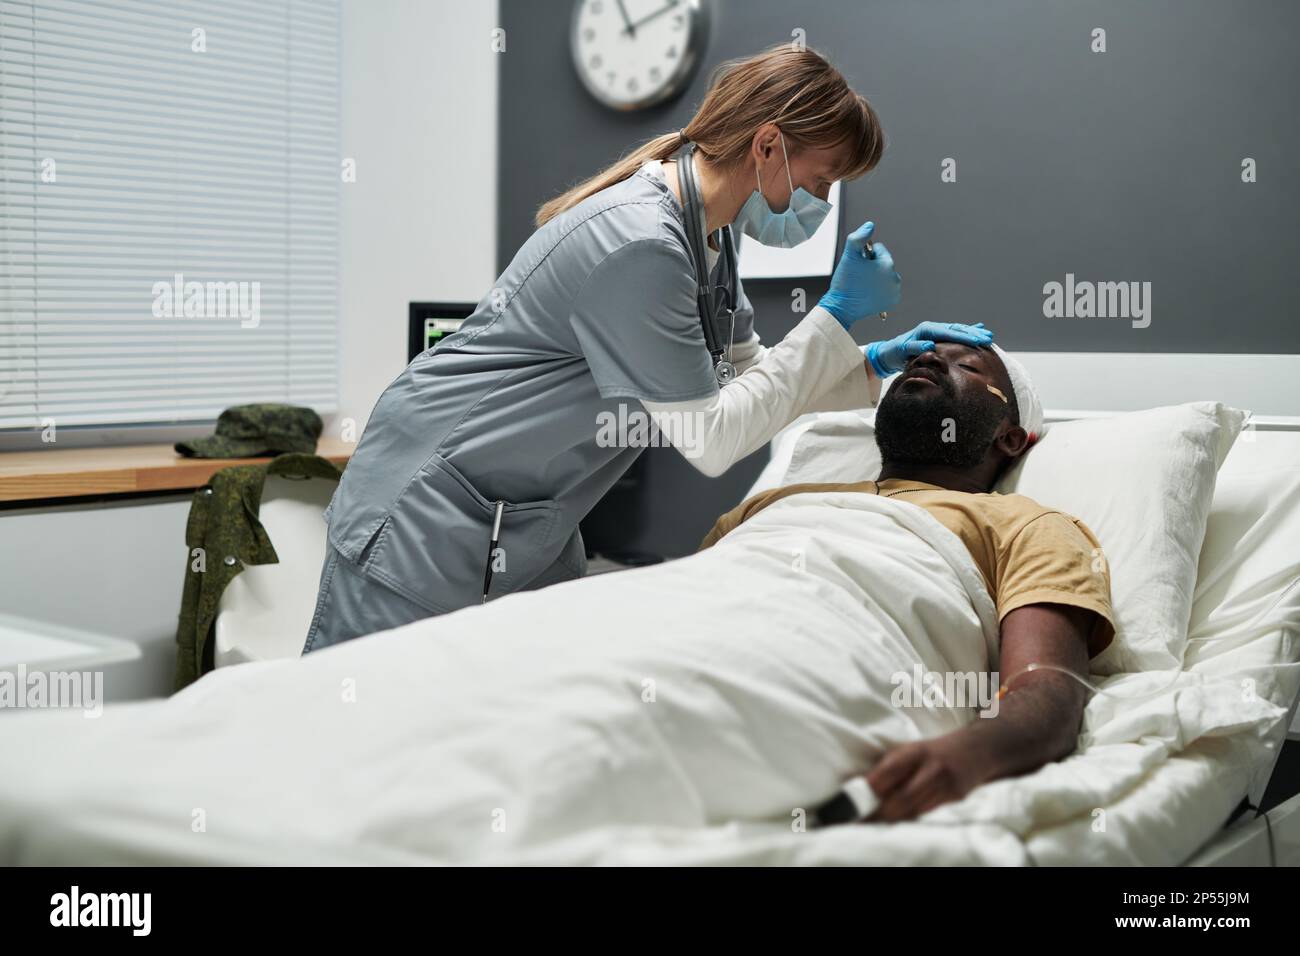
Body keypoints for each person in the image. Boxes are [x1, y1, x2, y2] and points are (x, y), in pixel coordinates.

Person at [303, 44, 992, 654]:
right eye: (820, 182)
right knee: (354, 732)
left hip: (520, 522)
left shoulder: (710, 244)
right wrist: (835, 316)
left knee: (517, 725)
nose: (822, 201)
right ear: (768, 145)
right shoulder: (642, 244)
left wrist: (871, 367)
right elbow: (713, 438)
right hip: (424, 509)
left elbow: (757, 384)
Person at [700, 341, 1117, 822]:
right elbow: (676, 593)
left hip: (807, 681)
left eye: (968, 366)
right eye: (920, 358)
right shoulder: (768, 504)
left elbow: (1047, 685)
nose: (929, 359)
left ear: (1010, 439)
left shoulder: (1023, 524)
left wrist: (967, 756)